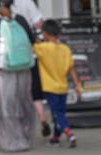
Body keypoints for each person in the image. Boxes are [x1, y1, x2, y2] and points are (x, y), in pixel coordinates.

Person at [0, 0, 45, 136]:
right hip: (25, 65)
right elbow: (32, 39)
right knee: (24, 100)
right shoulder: (21, 19)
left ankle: (11, 136)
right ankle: (26, 133)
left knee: (6, 103)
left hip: (3, 68)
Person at [33, 18, 78, 147]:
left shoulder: (42, 48)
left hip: (50, 88)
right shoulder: (65, 49)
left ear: (45, 34)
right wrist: (77, 84)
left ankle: (69, 134)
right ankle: (55, 138)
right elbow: (71, 69)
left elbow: (31, 47)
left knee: (57, 114)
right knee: (60, 112)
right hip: (63, 87)